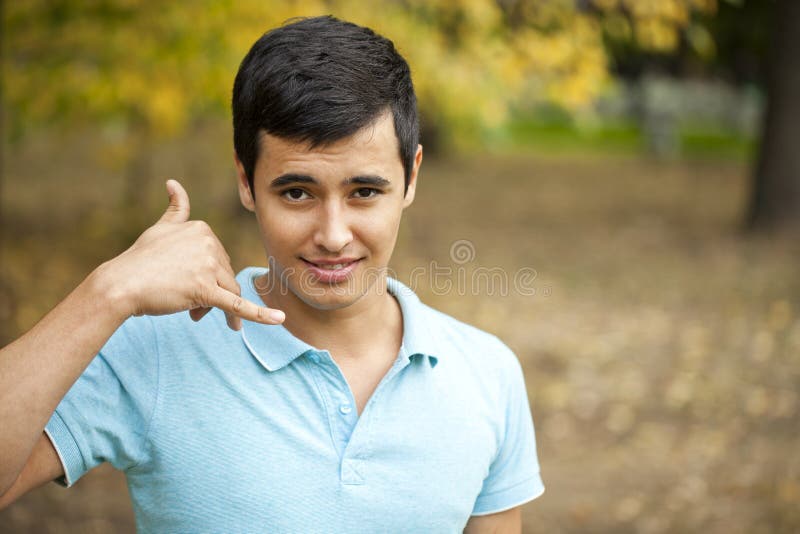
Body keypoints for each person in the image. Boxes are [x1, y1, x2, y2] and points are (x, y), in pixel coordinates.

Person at [0, 15, 544, 532]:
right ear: (246, 182)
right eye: (298, 193)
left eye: (364, 191)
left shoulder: (488, 375)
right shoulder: (155, 348)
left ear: (411, 177)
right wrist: (108, 292)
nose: (333, 235)